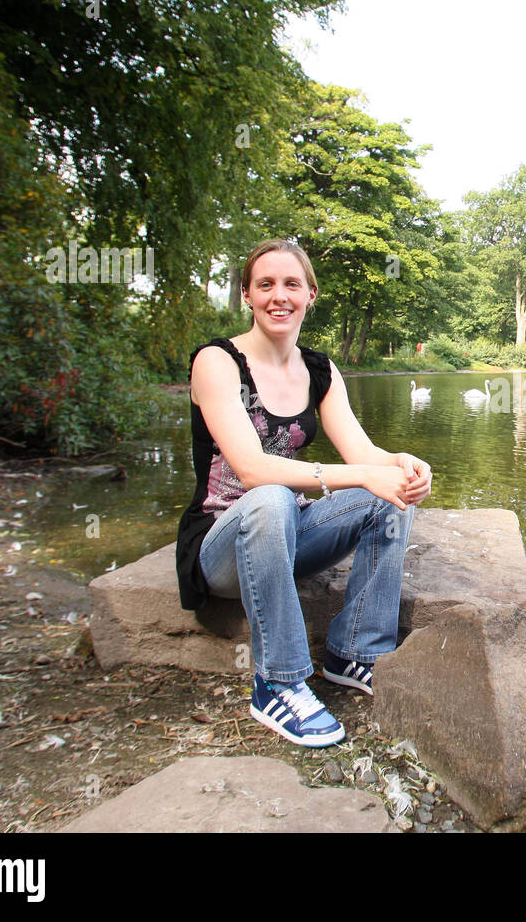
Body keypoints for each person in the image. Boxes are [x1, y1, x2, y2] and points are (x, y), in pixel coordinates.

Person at [175, 239, 432, 747]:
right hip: (224, 544)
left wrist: (400, 464)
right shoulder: (217, 361)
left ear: (310, 294)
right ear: (247, 295)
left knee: (391, 493)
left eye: (291, 284)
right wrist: (359, 475)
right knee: (270, 496)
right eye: (265, 284)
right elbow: (249, 470)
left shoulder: (319, 370)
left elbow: (362, 452)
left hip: (291, 532)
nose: (279, 296)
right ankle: (279, 682)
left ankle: (355, 651)